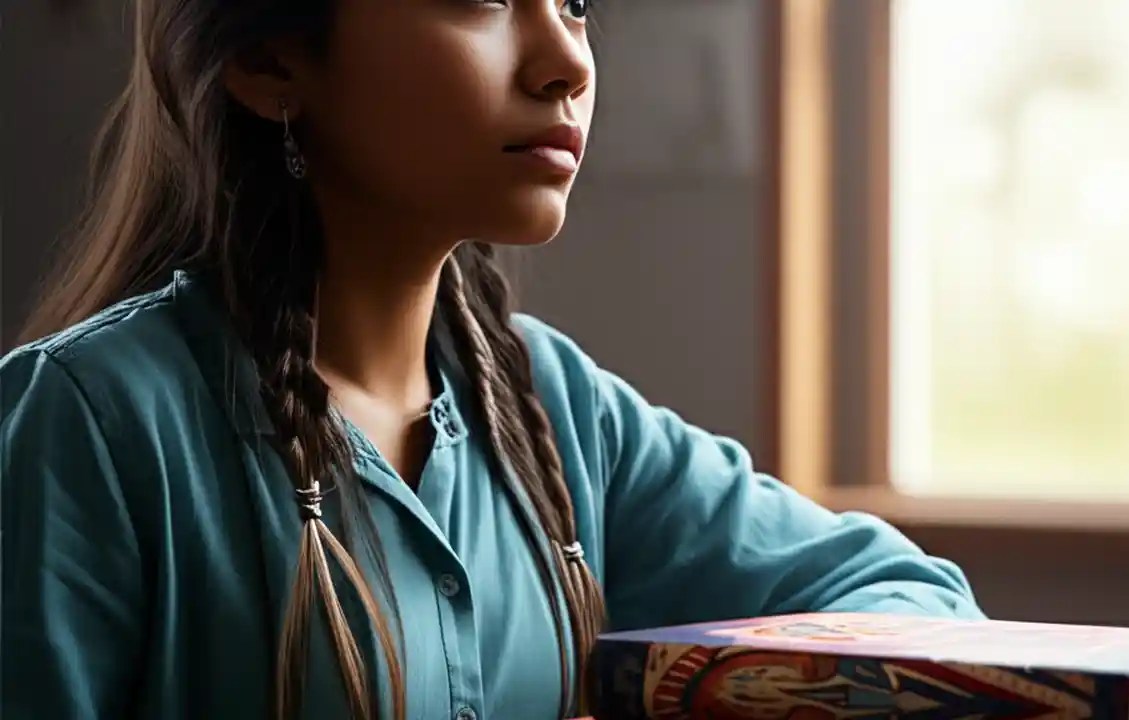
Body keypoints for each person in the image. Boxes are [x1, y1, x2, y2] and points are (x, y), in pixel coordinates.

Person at [0, 1, 982, 718]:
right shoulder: (88, 427)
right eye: (481, 2)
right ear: (270, 61)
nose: (564, 61)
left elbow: (911, 601)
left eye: (576, 5)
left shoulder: (553, 407)